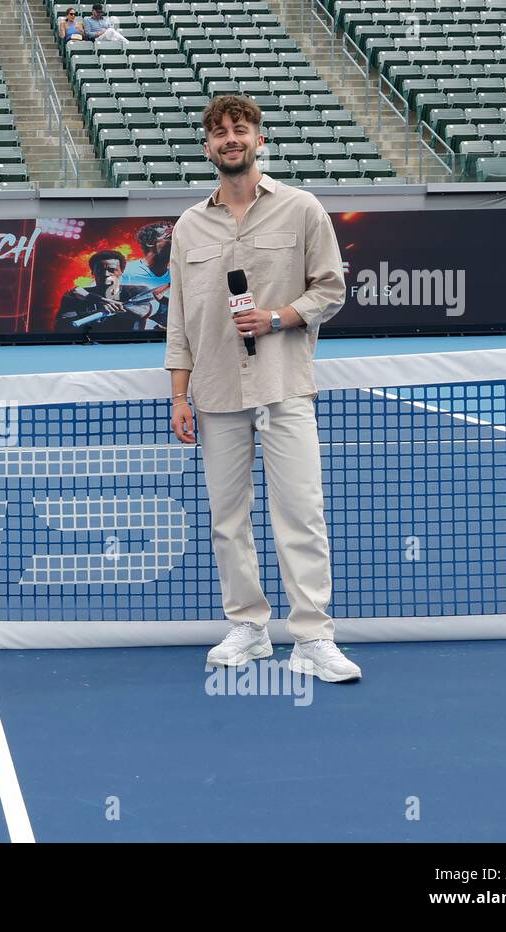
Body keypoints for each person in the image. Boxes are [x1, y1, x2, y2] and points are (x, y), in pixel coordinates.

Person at [165, 95, 357, 683]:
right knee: (229, 520)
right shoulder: (188, 227)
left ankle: (313, 636)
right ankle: (248, 627)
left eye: (239, 129)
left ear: (259, 139)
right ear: (208, 147)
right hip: (217, 393)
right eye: (219, 132)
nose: (230, 139)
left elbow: (331, 290)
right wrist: (179, 395)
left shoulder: (302, 210)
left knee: (300, 513)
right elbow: (180, 320)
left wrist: (277, 318)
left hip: (284, 388)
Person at [57, 249, 153, 331]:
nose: (106, 274)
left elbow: (141, 313)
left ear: (121, 271)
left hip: (130, 346)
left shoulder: (138, 291)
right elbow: (62, 326)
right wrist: (98, 311)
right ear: (92, 272)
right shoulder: (74, 296)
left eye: (111, 270)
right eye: (100, 270)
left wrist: (92, 298)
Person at [120, 220, 172, 330]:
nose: (177, 240)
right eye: (170, 237)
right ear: (150, 242)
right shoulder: (126, 272)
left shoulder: (178, 274)